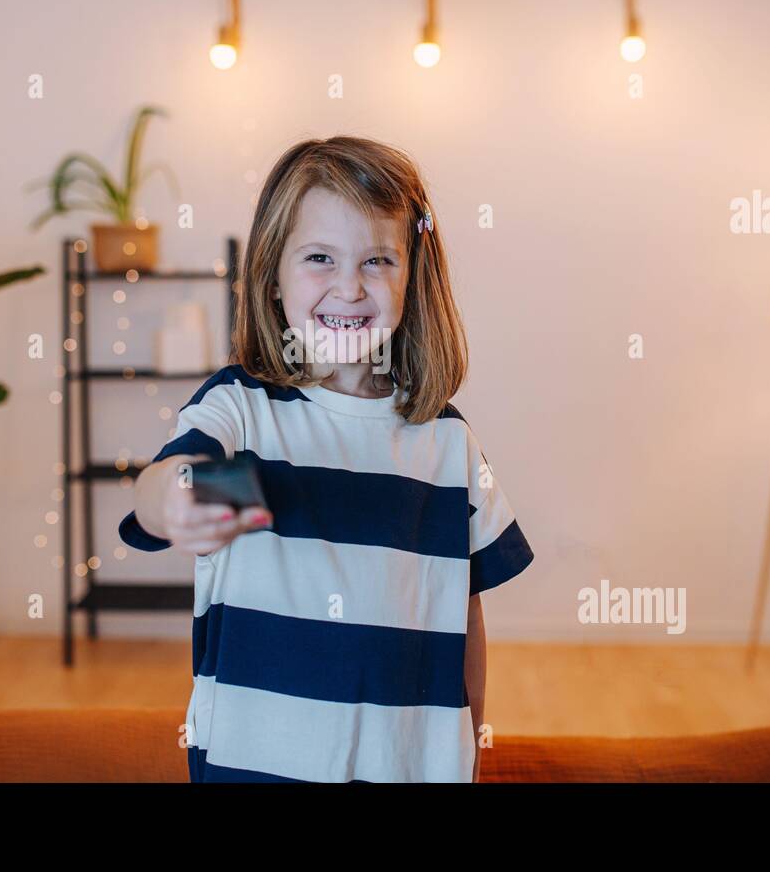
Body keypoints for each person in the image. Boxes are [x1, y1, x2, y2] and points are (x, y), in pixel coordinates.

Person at [119, 135, 535, 782]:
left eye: (378, 261)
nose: (349, 286)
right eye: (320, 257)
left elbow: (465, 618)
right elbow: (164, 484)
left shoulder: (445, 445)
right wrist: (175, 498)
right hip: (251, 767)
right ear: (273, 278)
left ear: (411, 278)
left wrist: (470, 753)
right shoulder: (246, 413)